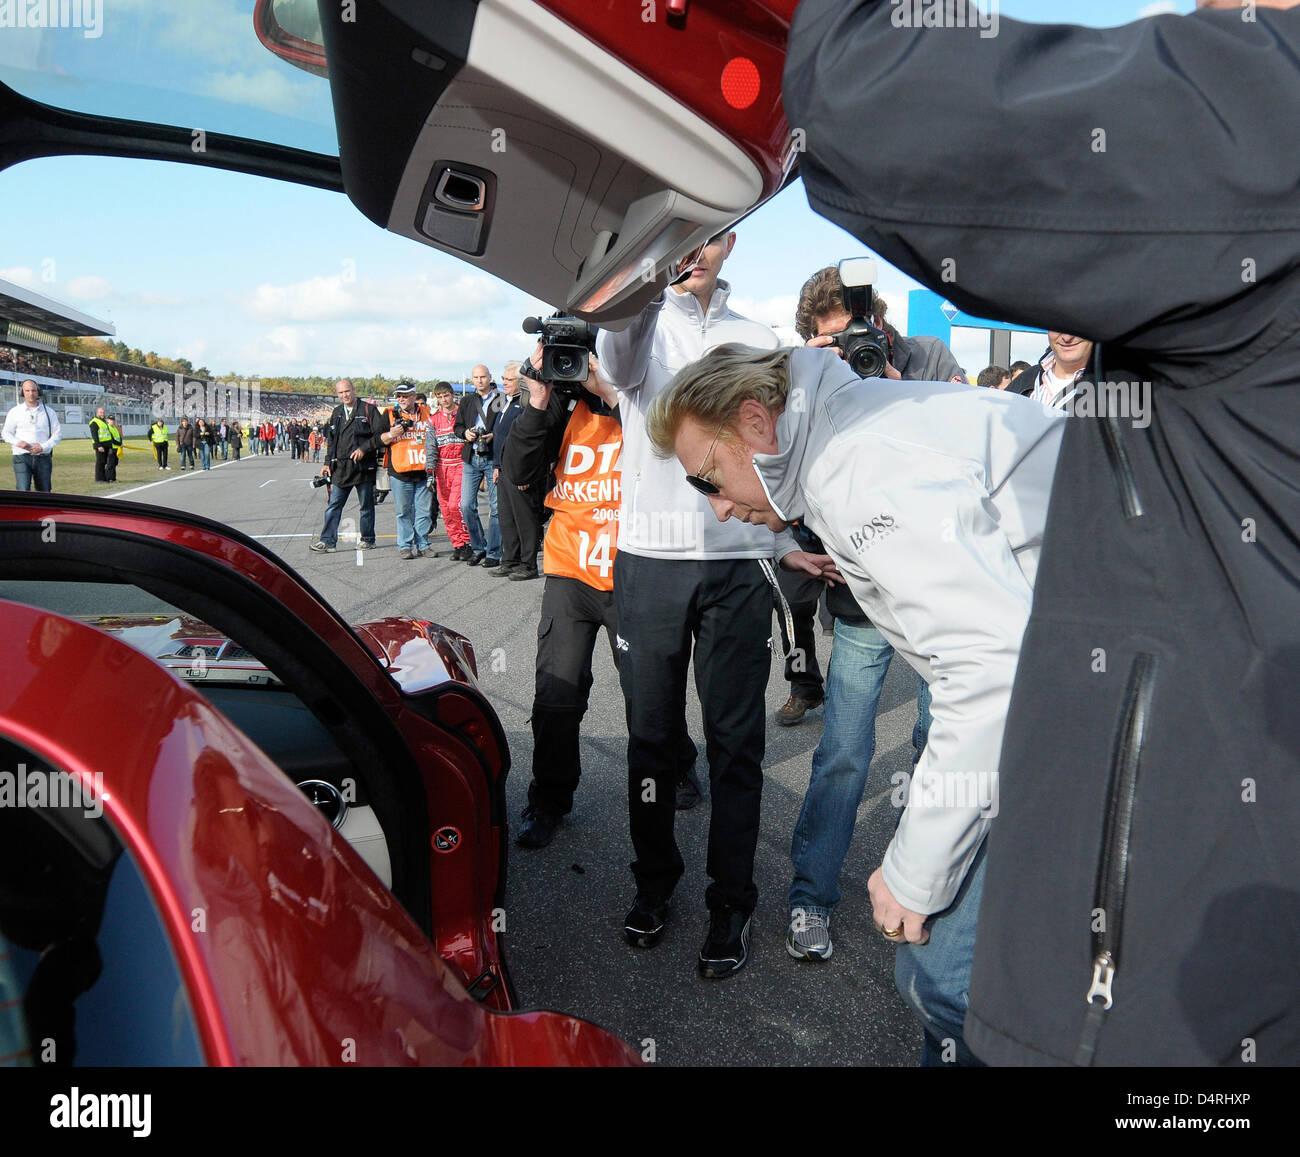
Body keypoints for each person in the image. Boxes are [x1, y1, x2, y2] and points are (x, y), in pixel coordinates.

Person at [784, 0, 1300, 1066]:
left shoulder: (1270, 102)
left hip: (1189, 956)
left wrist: (914, 871)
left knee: (948, 983)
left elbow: (862, 93)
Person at [647, 342, 1064, 1058]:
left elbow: (989, 670)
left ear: (755, 423)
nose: (717, 506)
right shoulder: (851, 435)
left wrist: (914, 874)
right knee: (981, 980)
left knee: (947, 981)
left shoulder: (857, 467)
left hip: (1113, 702)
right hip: (1087, 689)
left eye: (706, 478)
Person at [595, 230, 831, 979]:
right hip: (650, 563)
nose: (695, 249)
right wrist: (646, 280)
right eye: (682, 237)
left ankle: (732, 900)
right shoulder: (637, 324)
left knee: (736, 744)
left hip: (737, 565)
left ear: (731, 238)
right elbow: (616, 366)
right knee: (651, 738)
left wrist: (780, 542)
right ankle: (653, 882)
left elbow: (776, 458)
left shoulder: (759, 337)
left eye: (710, 235)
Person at [503, 348, 624, 846]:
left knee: (649, 691)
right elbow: (518, 470)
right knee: (556, 694)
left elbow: (667, 447)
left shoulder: (641, 390)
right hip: (570, 569)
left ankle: (675, 767)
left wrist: (609, 391)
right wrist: (537, 398)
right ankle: (548, 800)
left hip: (632, 568)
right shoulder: (558, 401)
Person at [310, 379, 389, 552]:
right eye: (340, 393)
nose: (344, 395)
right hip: (341, 469)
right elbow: (332, 441)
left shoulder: (369, 410)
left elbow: (381, 436)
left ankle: (368, 539)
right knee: (334, 505)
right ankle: (327, 541)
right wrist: (327, 463)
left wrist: (363, 449)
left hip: (364, 468)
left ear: (354, 390)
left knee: (366, 507)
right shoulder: (337, 412)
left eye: (347, 391)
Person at [490, 362, 541, 579]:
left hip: (521, 471)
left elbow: (532, 442)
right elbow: (500, 437)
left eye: (509, 379)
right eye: (503, 378)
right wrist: (497, 466)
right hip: (504, 470)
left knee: (525, 520)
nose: (504, 383)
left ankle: (528, 564)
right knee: (507, 518)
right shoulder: (506, 402)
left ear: (522, 381)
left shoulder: (529, 404)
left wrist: (526, 473)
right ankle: (510, 560)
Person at [380, 382, 436, 559]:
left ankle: (423, 544)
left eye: (405, 395)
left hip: (423, 471)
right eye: (398, 396)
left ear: (414, 396)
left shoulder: (427, 412)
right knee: (403, 512)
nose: (401, 399)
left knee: (424, 511)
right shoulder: (389, 413)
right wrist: (392, 434)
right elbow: (379, 439)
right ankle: (405, 545)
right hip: (400, 471)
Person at [455, 365, 503, 566]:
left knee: (496, 507)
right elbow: (457, 426)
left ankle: (494, 552)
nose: (480, 380)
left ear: (490, 377)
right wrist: (465, 433)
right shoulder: (467, 400)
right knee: (466, 505)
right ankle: (478, 547)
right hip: (471, 457)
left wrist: (494, 435)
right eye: (476, 377)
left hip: (493, 458)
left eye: (483, 376)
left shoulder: (501, 399)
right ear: (472, 380)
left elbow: (507, 426)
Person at [426, 382, 471, 560]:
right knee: (445, 509)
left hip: (461, 464)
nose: (444, 400)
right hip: (441, 467)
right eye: (440, 397)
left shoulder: (463, 413)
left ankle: (467, 542)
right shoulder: (433, 420)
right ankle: (458, 545)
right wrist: (430, 471)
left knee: (455, 506)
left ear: (452, 395)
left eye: (446, 395)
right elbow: (430, 447)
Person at [3, 379, 61, 492]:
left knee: (44, 491)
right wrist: (18, 443)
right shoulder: (15, 412)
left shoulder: (49, 412)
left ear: (38, 392)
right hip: (21, 456)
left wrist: (43, 447)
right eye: (27, 391)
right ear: (22, 392)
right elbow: (6, 433)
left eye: (33, 390)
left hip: (43, 457)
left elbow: (57, 434)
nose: (31, 393)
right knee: (23, 490)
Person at [1009, 332, 1093, 409]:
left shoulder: (1100, 384)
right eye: (1058, 326)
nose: (1067, 337)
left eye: (1077, 326)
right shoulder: (1025, 379)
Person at [89, 406, 113, 482]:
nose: (102, 414)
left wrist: (110, 446)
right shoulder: (94, 422)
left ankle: (104, 478)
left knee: (104, 462)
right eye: (101, 412)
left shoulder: (103, 421)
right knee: (100, 462)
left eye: (103, 412)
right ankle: (99, 479)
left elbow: (107, 435)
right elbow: (94, 435)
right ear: (97, 413)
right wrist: (98, 446)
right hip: (100, 446)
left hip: (106, 445)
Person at [105, 415, 123, 482]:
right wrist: (119, 444)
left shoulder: (115, 428)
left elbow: (119, 437)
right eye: (111, 420)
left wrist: (121, 442)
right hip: (111, 449)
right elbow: (111, 439)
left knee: (114, 464)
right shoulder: (107, 428)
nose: (112, 421)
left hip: (117, 449)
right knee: (110, 464)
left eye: (113, 420)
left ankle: (113, 478)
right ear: (107, 420)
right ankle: (108, 478)